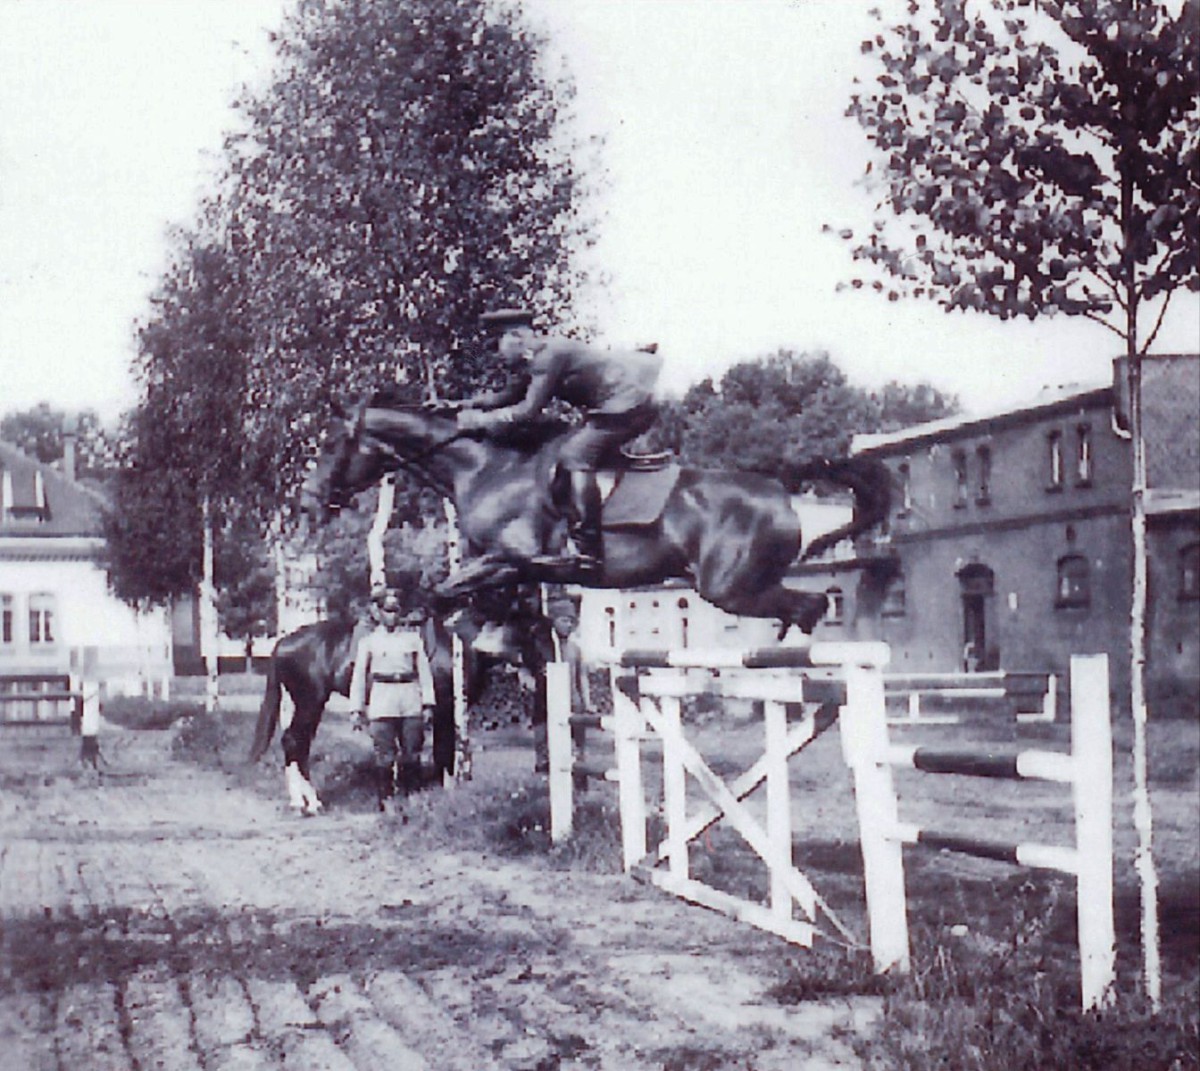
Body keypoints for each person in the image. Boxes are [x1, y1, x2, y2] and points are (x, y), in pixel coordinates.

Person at [456, 308, 663, 573]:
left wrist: (480, 421)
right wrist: (462, 405)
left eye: (498, 345)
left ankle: (588, 548)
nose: (497, 355)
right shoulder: (537, 356)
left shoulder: (548, 356)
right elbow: (509, 396)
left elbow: (527, 411)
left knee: (575, 455)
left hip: (627, 406)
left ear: (516, 337)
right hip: (617, 405)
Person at [348, 589, 436, 811]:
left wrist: (428, 703)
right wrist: (356, 709)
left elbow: (424, 672)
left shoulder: (413, 639)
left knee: (412, 754)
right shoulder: (369, 642)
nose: (392, 615)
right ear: (378, 612)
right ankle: (386, 801)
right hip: (382, 700)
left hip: (409, 699)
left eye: (396, 610)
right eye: (387, 610)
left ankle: (412, 799)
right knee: (384, 756)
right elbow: (359, 676)